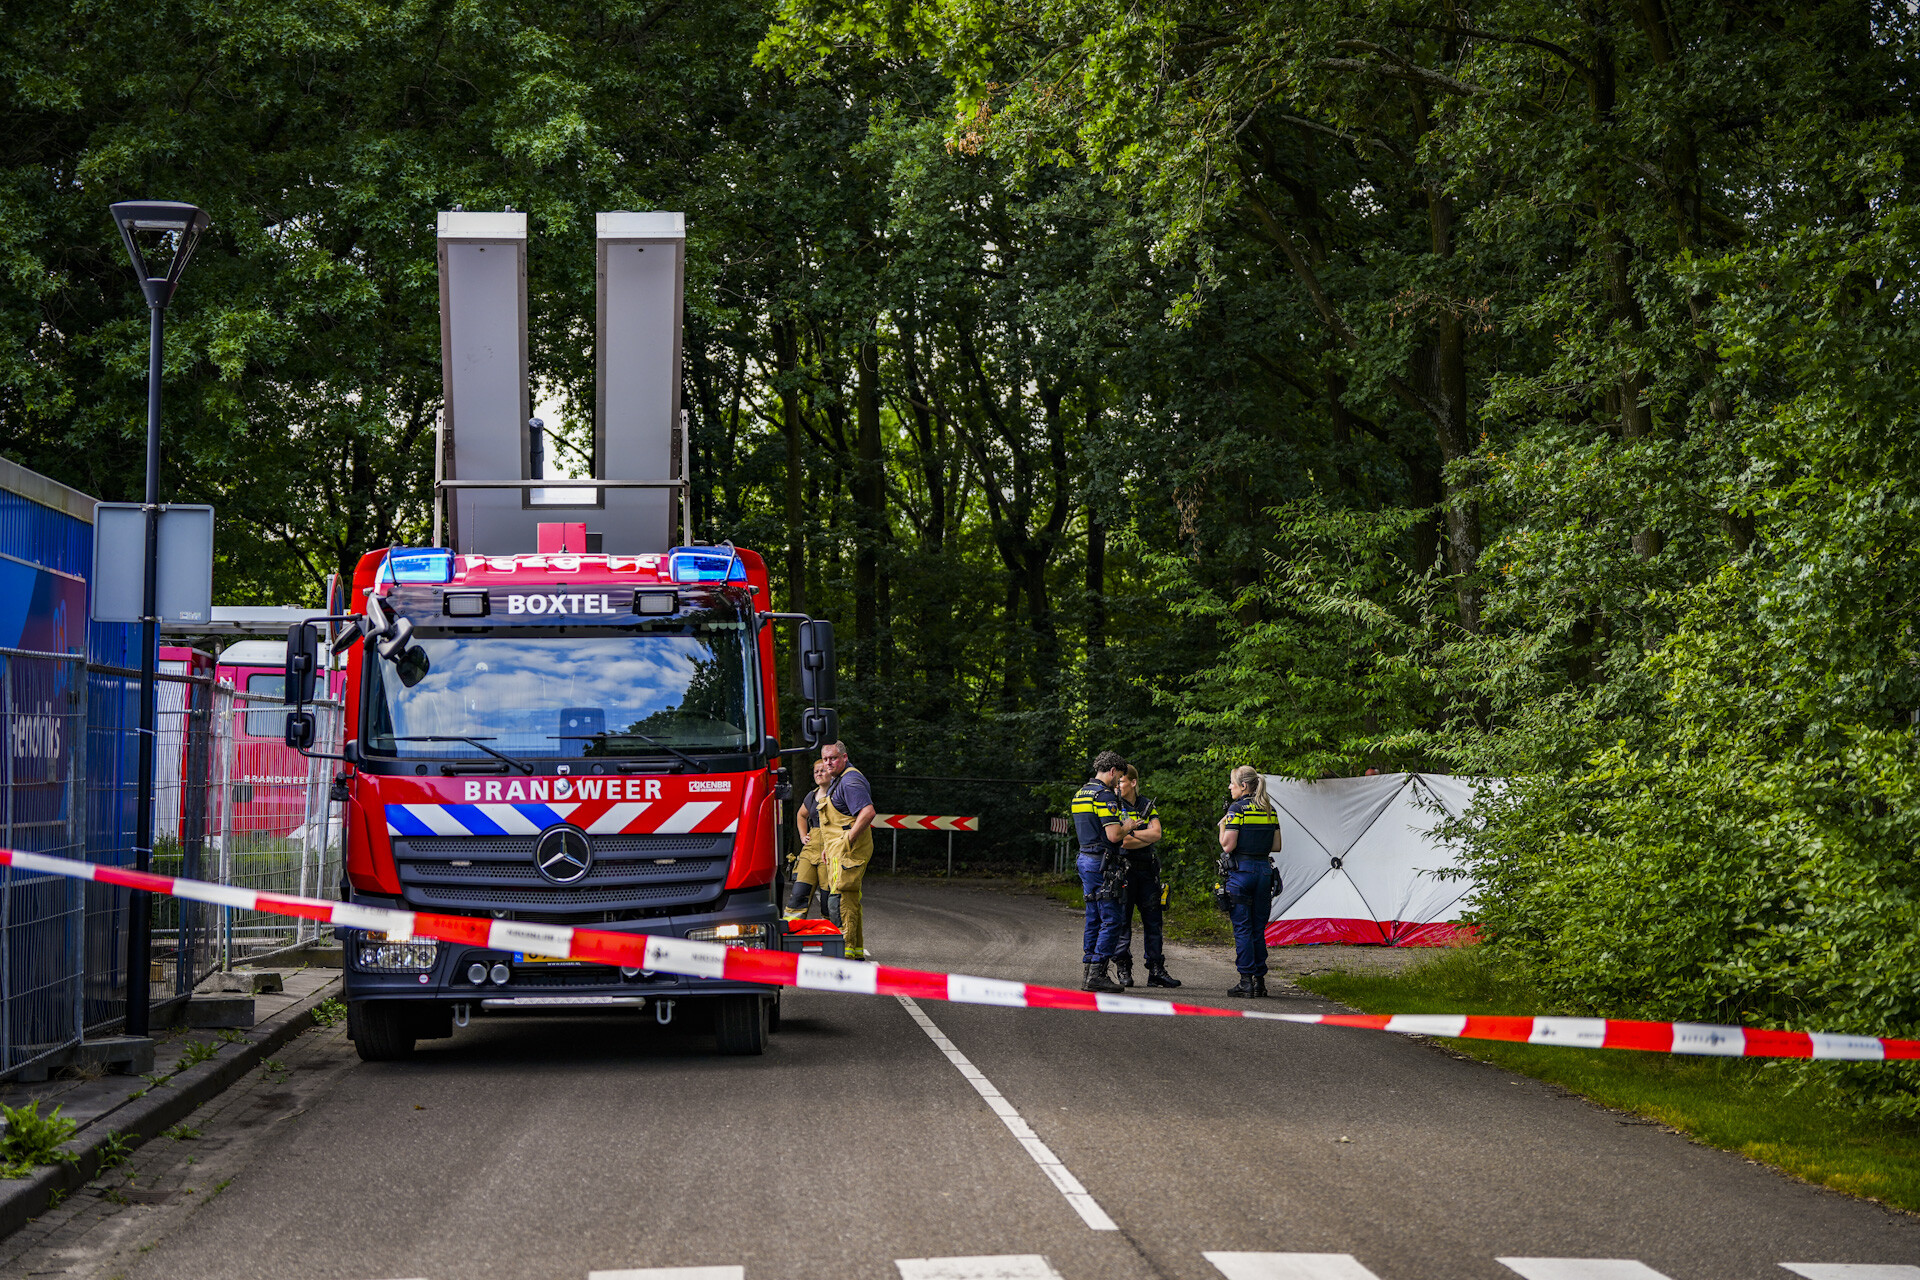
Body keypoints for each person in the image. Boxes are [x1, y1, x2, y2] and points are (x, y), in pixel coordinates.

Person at [1070, 750, 1139, 993]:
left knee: (1093, 916)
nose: (1117, 782)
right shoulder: (1104, 795)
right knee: (1111, 918)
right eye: (1118, 776)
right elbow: (1112, 834)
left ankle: (1089, 969)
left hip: (1085, 860)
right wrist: (1127, 826)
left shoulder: (1080, 794)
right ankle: (1098, 972)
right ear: (1112, 771)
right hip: (1103, 863)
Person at [1113, 765, 1180, 989]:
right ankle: (1123, 967)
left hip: (1148, 871)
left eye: (1121, 781)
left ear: (1132, 782)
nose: (1117, 785)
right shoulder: (1114, 805)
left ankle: (1156, 970)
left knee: (1154, 923)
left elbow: (1157, 833)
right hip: (1124, 870)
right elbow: (1121, 841)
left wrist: (1132, 833)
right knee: (1123, 922)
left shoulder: (1146, 804)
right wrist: (1143, 836)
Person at [1218, 764, 1280, 998]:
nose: (1229, 787)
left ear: (1243, 786)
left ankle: (1245, 981)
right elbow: (1276, 846)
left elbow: (1227, 845)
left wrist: (1224, 825)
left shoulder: (1236, 809)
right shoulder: (1269, 809)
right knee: (1258, 929)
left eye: (1232, 783)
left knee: (1242, 928)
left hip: (1241, 873)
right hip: (1264, 872)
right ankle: (1260, 981)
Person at [817, 741, 877, 961]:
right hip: (838, 851)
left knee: (841, 900)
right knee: (846, 898)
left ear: (844, 757)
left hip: (848, 852)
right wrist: (829, 848)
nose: (828, 763)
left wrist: (847, 841)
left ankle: (845, 954)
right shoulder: (838, 780)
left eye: (833, 758)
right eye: (825, 759)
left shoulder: (850, 781)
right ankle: (855, 951)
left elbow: (868, 812)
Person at [783, 758, 836, 920]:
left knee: (828, 897)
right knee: (799, 892)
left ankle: (831, 932)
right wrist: (802, 835)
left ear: (831, 772)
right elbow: (801, 815)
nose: (819, 773)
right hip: (811, 848)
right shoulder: (811, 796)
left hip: (831, 848)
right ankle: (791, 930)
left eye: (823, 770)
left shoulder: (839, 793)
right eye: (816, 771)